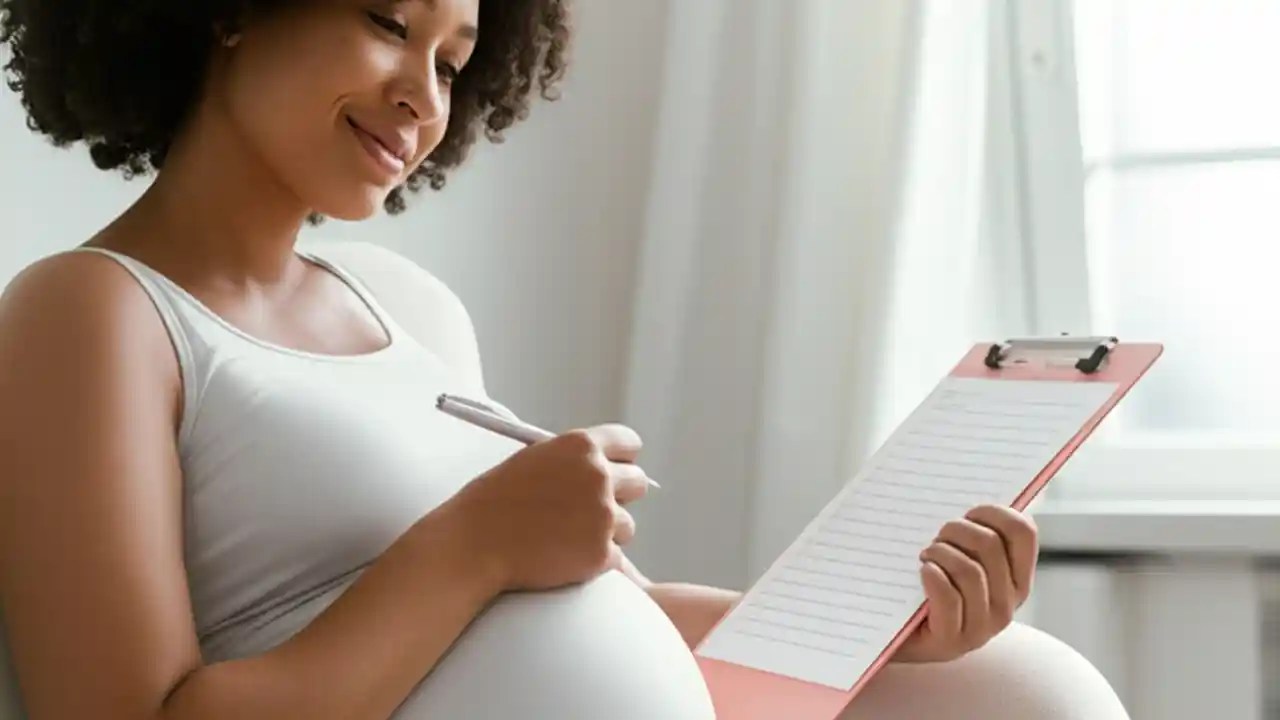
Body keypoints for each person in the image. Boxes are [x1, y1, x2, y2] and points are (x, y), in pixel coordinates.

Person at [0, 1, 1124, 718]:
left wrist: (888, 633)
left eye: (454, 61)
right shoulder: (91, 313)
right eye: (389, 22)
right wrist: (475, 543)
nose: (421, 100)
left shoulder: (409, 310)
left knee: (1027, 688)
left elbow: (611, 609)